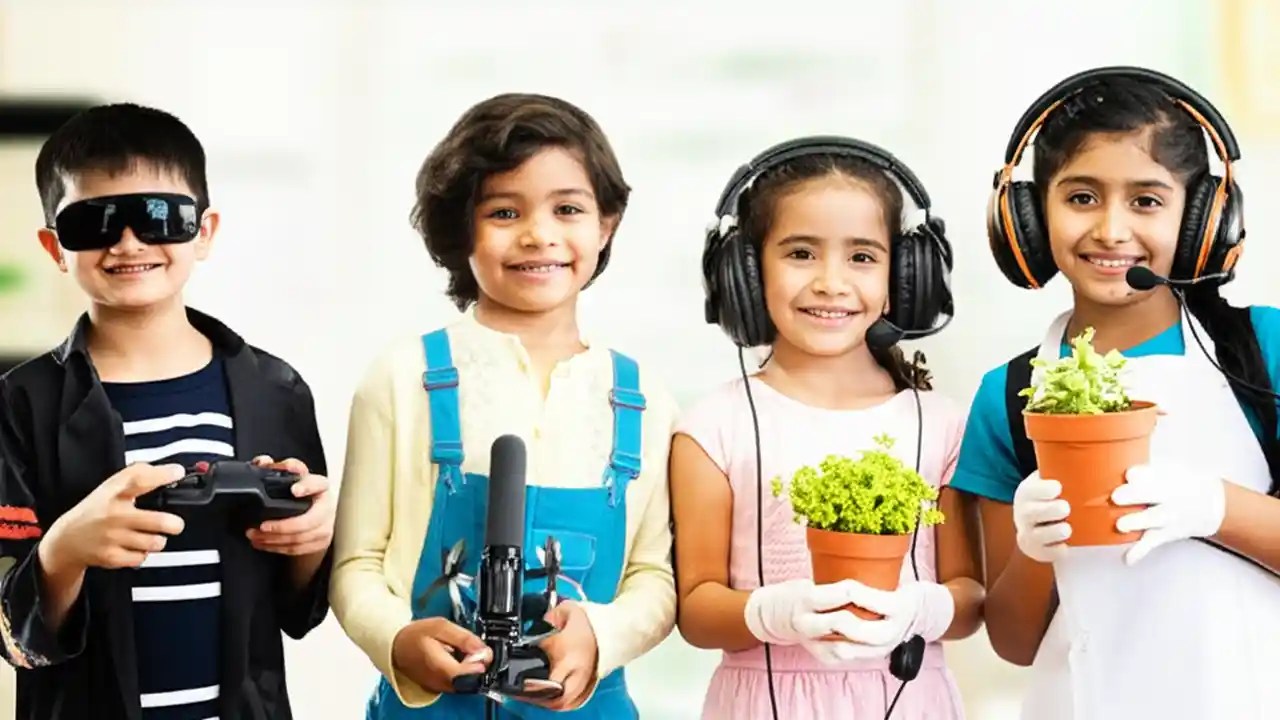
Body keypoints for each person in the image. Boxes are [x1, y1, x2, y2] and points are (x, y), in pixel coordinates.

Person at [330, 93, 678, 719]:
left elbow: (654, 576)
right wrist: (399, 641)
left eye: (567, 209)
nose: (538, 234)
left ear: (606, 225)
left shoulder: (644, 399)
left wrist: (601, 637)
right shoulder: (403, 377)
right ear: (462, 227)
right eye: (504, 211)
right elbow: (357, 563)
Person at [954, 66, 1280, 719]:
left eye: (1147, 201)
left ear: (1205, 220)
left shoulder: (1261, 350)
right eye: (1081, 197)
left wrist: (1215, 506)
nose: (1110, 229)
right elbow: (1014, 642)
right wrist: (1037, 547)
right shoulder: (1007, 394)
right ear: (1027, 218)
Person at [0, 103, 335, 720]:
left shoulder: (276, 390)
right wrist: (65, 548)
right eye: (93, 222)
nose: (128, 242)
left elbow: (301, 608)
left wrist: (312, 537)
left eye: (159, 217)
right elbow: (10, 631)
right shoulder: (20, 404)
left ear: (204, 232)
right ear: (54, 246)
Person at [672, 136, 985, 719]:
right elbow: (695, 610)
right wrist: (773, 613)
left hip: (910, 699)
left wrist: (918, 609)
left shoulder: (942, 425)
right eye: (801, 253)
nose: (831, 283)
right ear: (746, 274)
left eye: (862, 257)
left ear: (905, 278)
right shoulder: (713, 428)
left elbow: (968, 600)